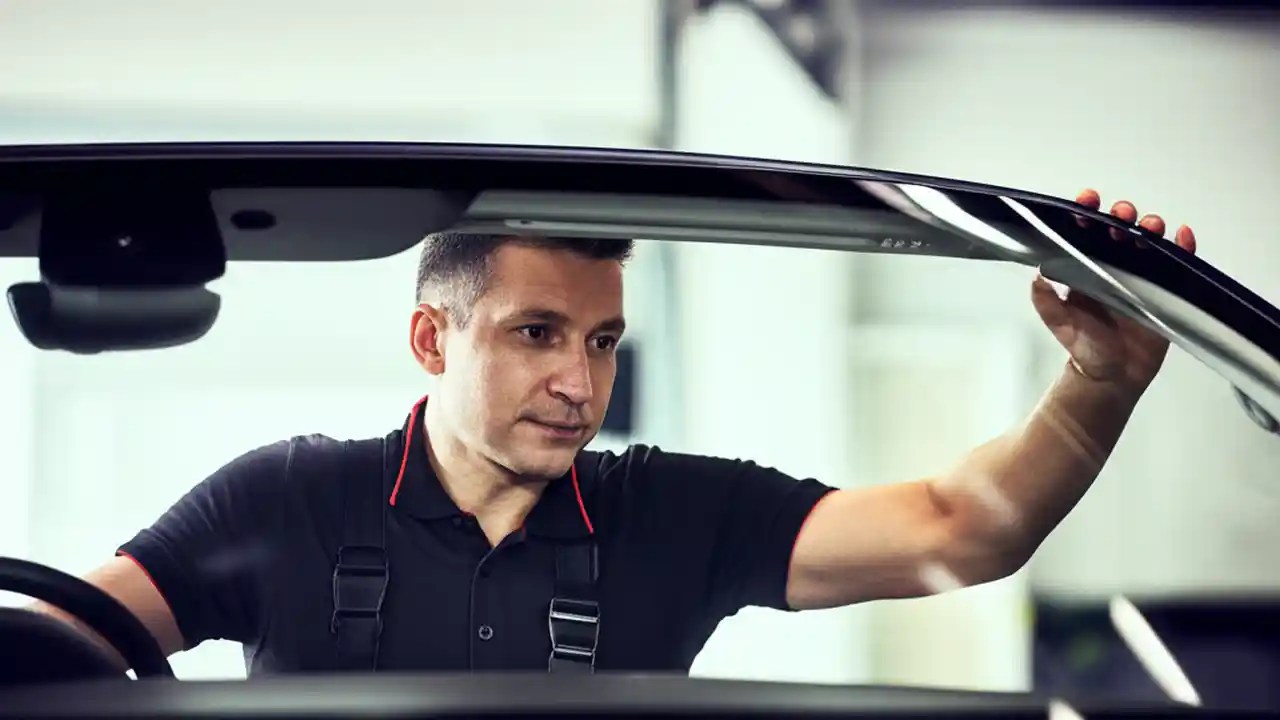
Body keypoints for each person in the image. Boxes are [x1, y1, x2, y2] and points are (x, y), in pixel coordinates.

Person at [32, 188, 1197, 676]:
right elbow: (57, 645)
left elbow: (960, 534)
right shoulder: (279, 501)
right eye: (537, 333)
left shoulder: (675, 514)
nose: (577, 383)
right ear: (433, 342)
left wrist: (1098, 380)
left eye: (599, 342)